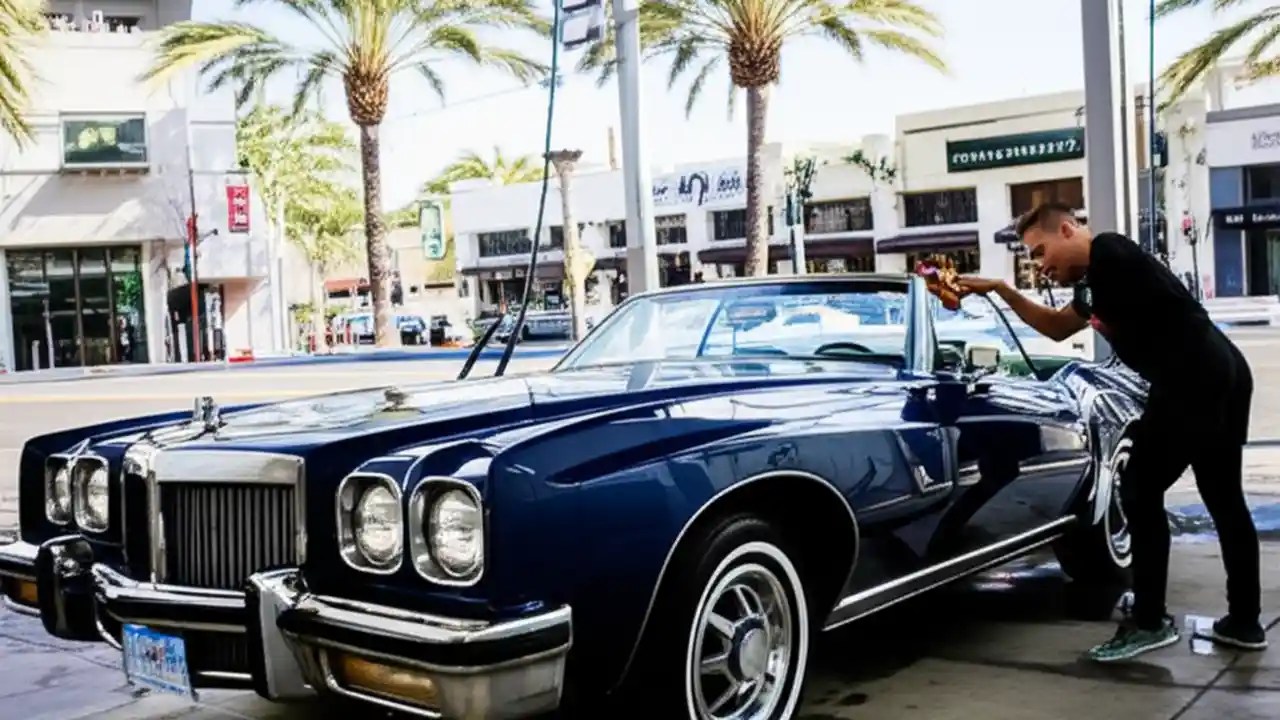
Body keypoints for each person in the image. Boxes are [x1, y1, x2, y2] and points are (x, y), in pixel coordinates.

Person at [957, 201, 1265, 663]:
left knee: (1139, 491)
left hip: (1193, 376)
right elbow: (1058, 328)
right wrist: (1001, 290)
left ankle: (1150, 621)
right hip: (1220, 370)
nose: (1041, 266)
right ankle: (1244, 622)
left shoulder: (1111, 253)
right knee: (1222, 498)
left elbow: (1082, 310)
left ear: (1067, 229)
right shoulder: (1097, 279)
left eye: (1040, 252)